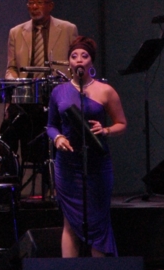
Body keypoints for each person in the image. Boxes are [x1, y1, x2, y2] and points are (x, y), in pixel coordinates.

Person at [46, 36, 126, 257]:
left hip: (97, 164)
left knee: (98, 222)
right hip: (68, 165)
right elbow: (51, 125)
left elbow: (122, 124)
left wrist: (107, 130)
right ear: (69, 62)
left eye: (84, 56)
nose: (79, 60)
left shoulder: (105, 90)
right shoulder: (58, 92)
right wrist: (58, 138)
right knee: (70, 222)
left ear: (91, 61)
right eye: (74, 56)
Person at [2, 0, 79, 188]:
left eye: (39, 3)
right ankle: (9, 187)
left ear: (50, 5)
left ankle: (58, 186)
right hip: (27, 97)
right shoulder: (16, 32)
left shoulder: (68, 29)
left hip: (56, 95)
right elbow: (11, 67)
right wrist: (14, 82)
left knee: (58, 130)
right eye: (31, 3)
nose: (34, 7)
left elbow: (74, 64)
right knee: (7, 130)